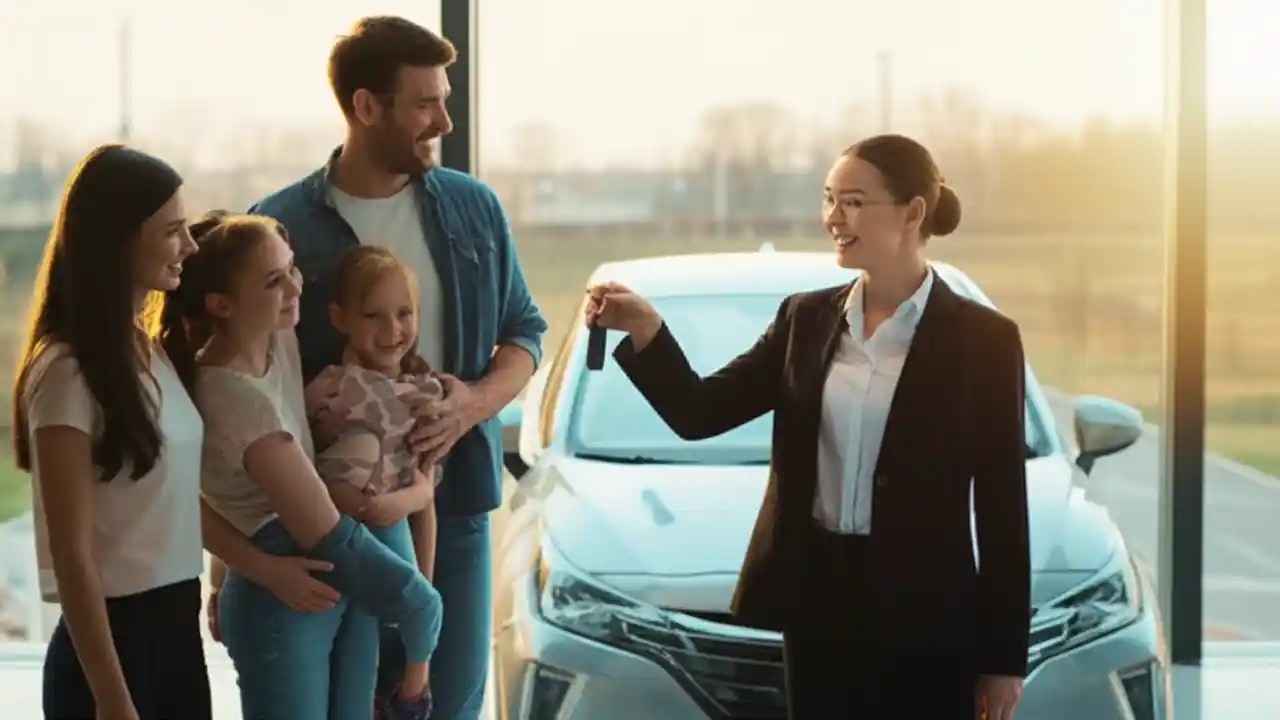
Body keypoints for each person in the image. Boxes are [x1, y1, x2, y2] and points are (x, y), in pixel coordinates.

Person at [586, 134, 1032, 719]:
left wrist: (1004, 660)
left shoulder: (985, 341)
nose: (833, 218)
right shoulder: (805, 319)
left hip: (928, 621)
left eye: (853, 202)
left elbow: (1002, 511)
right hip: (819, 609)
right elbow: (700, 411)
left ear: (912, 212)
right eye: (828, 199)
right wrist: (648, 330)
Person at [249, 15, 547, 718]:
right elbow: (245, 392)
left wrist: (472, 404)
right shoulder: (280, 226)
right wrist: (227, 565)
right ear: (365, 106)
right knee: (344, 702)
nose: (444, 122)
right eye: (425, 104)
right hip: (328, 517)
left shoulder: (474, 209)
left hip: (456, 504)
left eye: (445, 101)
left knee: (446, 702)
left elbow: (524, 332)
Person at [161, 210, 442, 719]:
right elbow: (323, 527)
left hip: (325, 584)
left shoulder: (277, 336)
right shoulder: (234, 398)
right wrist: (422, 604)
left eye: (291, 269)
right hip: (286, 601)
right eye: (274, 281)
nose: (295, 287)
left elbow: (237, 484)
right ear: (220, 305)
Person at [10, 144, 212, 720]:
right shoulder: (67, 372)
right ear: (120, 240)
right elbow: (72, 555)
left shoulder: (150, 352)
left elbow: (174, 502)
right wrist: (112, 699)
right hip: (112, 652)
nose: (190, 245)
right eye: (172, 231)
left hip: (177, 633)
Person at [310, 245, 447, 718]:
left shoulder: (423, 397)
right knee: (354, 659)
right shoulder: (329, 388)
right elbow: (291, 465)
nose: (392, 331)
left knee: (402, 629)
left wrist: (421, 585)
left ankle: (414, 690)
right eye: (373, 316)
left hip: (389, 532)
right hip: (334, 542)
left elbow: (425, 499)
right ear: (340, 319)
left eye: (404, 313)